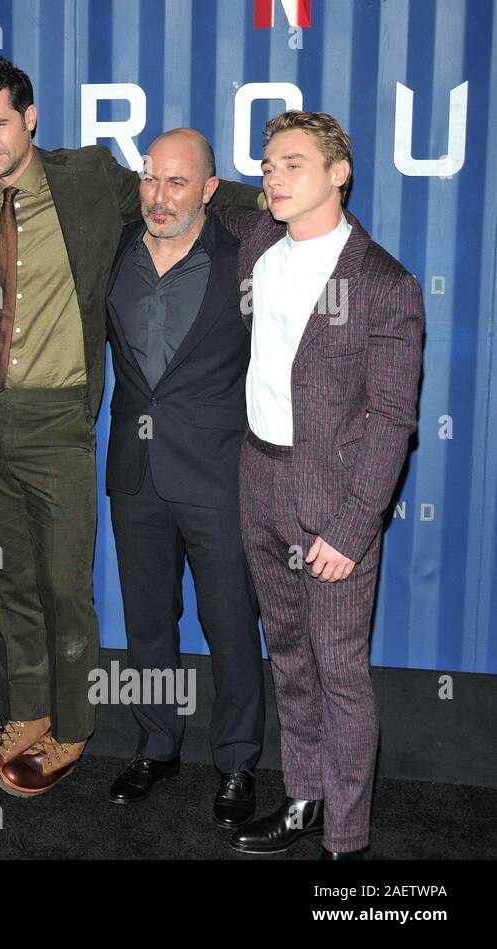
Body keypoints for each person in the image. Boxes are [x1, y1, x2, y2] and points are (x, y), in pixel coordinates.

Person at [0, 58, 263, 796]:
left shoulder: (87, 179)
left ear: (31, 118)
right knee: (6, 580)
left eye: (0, 122)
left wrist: (290, 200)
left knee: (63, 582)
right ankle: (27, 709)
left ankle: (74, 726)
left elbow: (186, 191)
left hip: (59, 420)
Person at [215, 111, 424, 860]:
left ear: (340, 173)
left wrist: (354, 524)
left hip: (333, 502)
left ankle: (347, 840)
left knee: (339, 671)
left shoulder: (383, 283)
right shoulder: (260, 241)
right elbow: (206, 199)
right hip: (259, 479)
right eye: (268, 164)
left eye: (292, 164)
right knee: (290, 657)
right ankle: (303, 797)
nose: (273, 176)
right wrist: (183, 184)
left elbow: (395, 420)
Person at [103, 129, 262, 824]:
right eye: (149, 179)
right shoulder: (115, 250)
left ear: (208, 189)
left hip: (218, 472)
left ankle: (237, 760)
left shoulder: (247, 257)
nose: (159, 196)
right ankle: (157, 741)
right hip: (135, 472)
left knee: (229, 623)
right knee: (146, 626)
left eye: (177, 182)